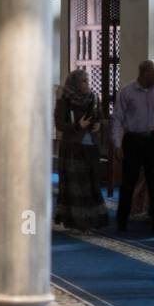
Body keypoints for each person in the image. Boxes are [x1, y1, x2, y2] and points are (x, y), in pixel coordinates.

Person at [111, 58, 154, 234]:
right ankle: (122, 222)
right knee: (129, 183)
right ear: (145, 73)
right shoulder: (127, 92)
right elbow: (117, 119)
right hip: (133, 141)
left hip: (152, 141)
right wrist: (117, 144)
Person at [54, 68, 108, 230]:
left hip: (90, 146)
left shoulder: (93, 97)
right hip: (72, 147)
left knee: (90, 184)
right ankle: (76, 220)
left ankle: (92, 218)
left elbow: (99, 116)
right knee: (76, 185)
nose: (87, 84)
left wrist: (98, 124)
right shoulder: (64, 100)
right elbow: (60, 125)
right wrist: (78, 125)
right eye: (84, 81)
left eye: (87, 80)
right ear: (76, 83)